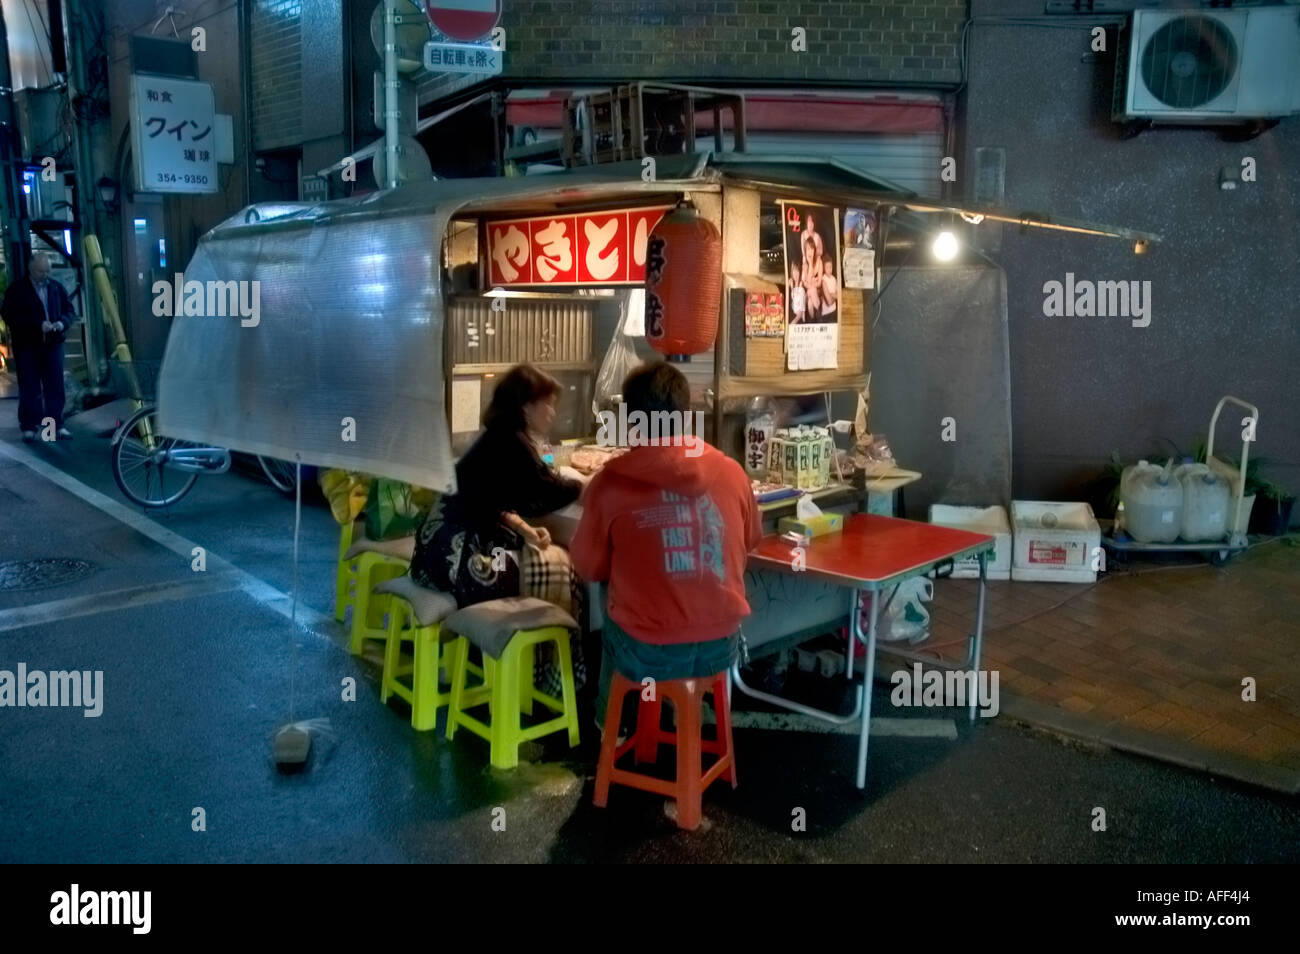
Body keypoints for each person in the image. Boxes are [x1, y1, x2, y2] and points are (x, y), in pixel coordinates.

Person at [570, 361, 762, 731]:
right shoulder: (731, 471)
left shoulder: (610, 482)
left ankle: (609, 724)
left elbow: (589, 567)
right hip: (719, 649)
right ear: (685, 413)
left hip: (647, 654)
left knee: (610, 595)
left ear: (631, 420)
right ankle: (681, 720)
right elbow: (750, 541)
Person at [410, 362, 583, 607]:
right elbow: (544, 493)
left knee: (545, 559)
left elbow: (490, 501)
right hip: (463, 565)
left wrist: (526, 530)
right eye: (548, 403)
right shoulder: (512, 441)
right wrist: (584, 488)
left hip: (433, 555)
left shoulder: (498, 435)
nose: (553, 412)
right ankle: (542, 640)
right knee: (562, 568)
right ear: (526, 405)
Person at [2, 253, 77, 441]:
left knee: (55, 387)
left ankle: (54, 427)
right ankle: (29, 426)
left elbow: (69, 311)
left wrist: (61, 323)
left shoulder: (56, 288)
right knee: (30, 387)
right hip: (27, 346)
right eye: (40, 271)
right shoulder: (17, 290)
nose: (44, 275)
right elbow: (10, 316)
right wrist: (36, 325)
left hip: (52, 344)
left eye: (47, 271)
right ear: (31, 269)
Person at [819, 254, 839, 320]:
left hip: (834, 311)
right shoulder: (823, 280)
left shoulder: (834, 279)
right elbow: (829, 302)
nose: (829, 269)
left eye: (830, 267)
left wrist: (831, 295)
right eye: (827, 267)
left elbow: (839, 296)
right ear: (824, 268)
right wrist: (834, 295)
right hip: (826, 314)